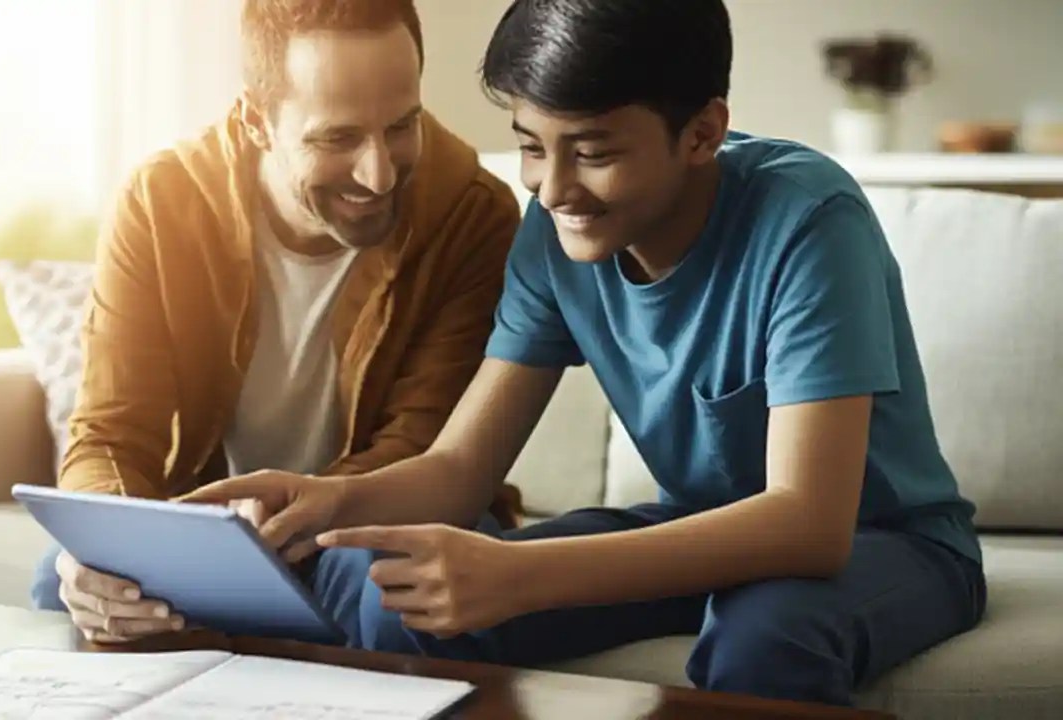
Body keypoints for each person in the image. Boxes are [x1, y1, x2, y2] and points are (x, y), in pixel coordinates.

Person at [182, 0, 988, 707]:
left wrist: (518, 577)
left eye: (593, 152)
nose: (554, 187)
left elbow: (810, 526)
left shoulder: (809, 221)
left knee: (768, 637)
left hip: (886, 540)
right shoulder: (553, 234)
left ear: (702, 132)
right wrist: (325, 499)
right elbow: (460, 470)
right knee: (399, 597)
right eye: (532, 146)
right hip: (695, 527)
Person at [30, 0, 524, 645]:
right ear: (257, 121)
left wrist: (278, 520)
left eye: (402, 126)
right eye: (338, 138)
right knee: (60, 580)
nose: (378, 173)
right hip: (221, 533)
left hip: (378, 516)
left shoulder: (471, 213)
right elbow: (112, 433)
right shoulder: (161, 203)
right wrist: (100, 542)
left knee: (384, 581)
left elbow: (423, 448)